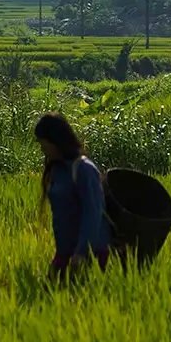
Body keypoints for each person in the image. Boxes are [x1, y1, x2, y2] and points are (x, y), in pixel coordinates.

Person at [34, 112, 111, 278]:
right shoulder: (57, 169)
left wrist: (82, 252)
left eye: (44, 144)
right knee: (52, 289)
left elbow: (92, 214)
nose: (42, 149)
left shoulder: (84, 169)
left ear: (55, 140)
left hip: (91, 252)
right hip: (65, 251)